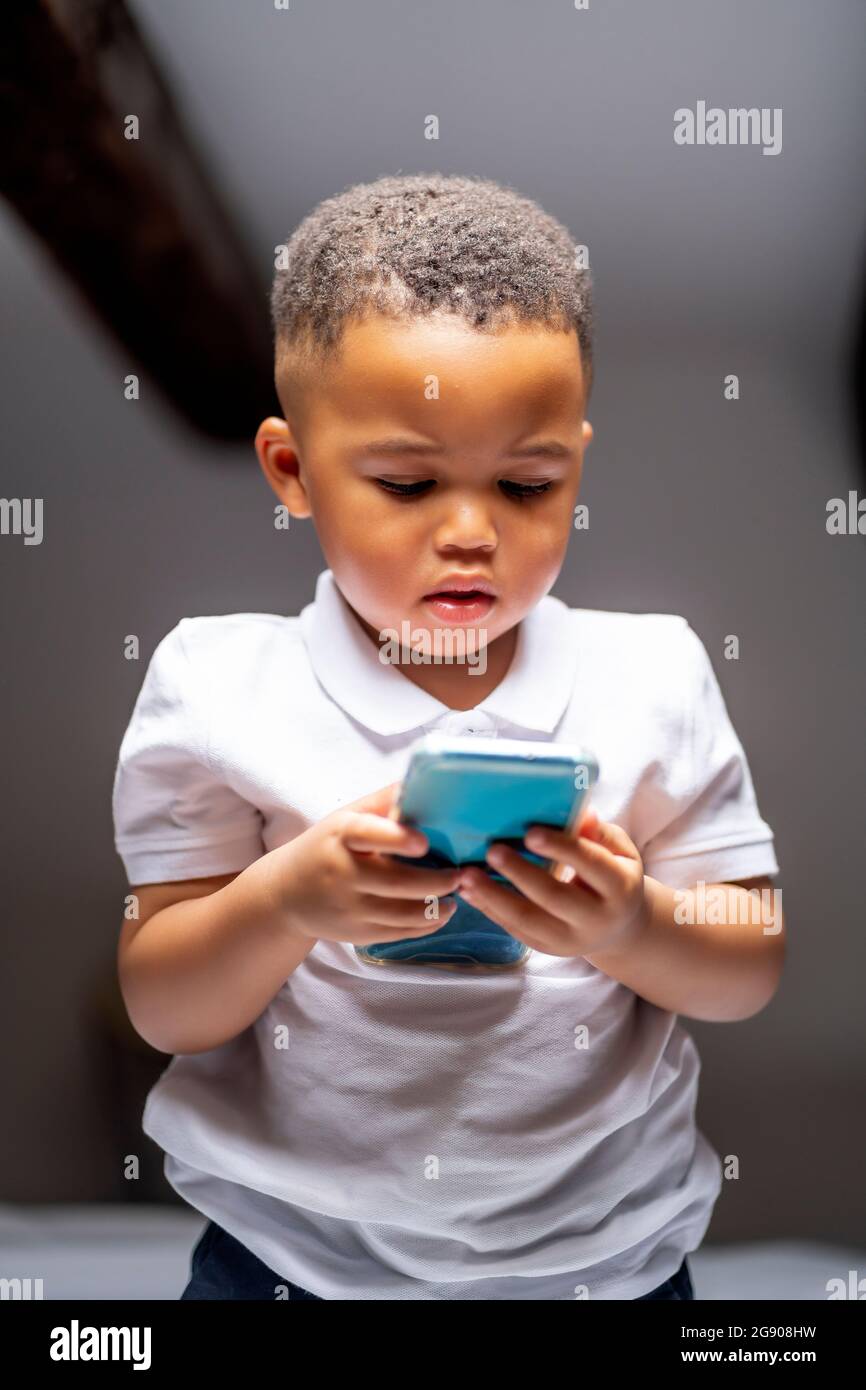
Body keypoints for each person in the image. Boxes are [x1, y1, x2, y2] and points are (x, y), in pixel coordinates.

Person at [112, 173, 784, 1301]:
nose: (469, 533)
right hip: (286, 1264)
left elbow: (748, 956)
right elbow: (163, 999)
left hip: (603, 1263)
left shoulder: (649, 673)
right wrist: (285, 902)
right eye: (408, 481)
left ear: (575, 461)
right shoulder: (219, 682)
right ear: (291, 470)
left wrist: (633, 923)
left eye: (527, 484)